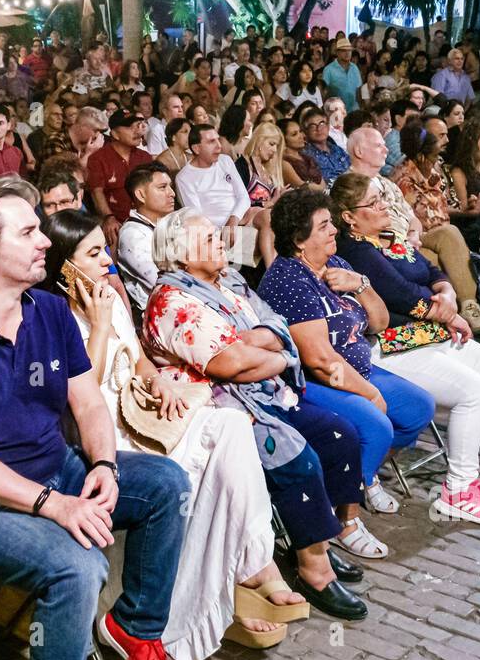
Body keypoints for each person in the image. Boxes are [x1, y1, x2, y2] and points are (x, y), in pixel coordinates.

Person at [0, 176, 189, 660]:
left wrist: (104, 464)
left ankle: (135, 628)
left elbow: (87, 404)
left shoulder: (48, 310)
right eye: (28, 233)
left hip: (56, 469)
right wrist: (55, 504)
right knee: (78, 566)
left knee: (166, 484)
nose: (45, 240)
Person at [42, 209, 305, 659]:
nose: (106, 260)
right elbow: (84, 391)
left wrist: (158, 379)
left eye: (104, 249)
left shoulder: (109, 298)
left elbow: (139, 358)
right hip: (101, 435)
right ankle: (242, 578)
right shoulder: (53, 314)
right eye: (93, 253)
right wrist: (99, 326)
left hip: (141, 415)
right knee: (209, 462)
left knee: (231, 425)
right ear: (65, 266)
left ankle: (248, 566)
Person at [143, 210, 369, 622]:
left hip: (267, 391)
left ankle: (318, 539)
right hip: (225, 406)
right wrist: (281, 356)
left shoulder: (229, 280)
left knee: (340, 435)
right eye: (208, 239)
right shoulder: (172, 301)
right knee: (298, 458)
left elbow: (276, 322)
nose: (220, 242)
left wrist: (262, 343)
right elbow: (230, 364)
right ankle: (314, 571)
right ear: (181, 255)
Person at [331, 173, 480, 523]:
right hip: (390, 347)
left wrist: (447, 294)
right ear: (349, 217)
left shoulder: (390, 239)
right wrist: (446, 312)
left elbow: (431, 270)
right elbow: (400, 294)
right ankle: (460, 490)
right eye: (374, 202)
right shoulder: (356, 251)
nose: (385, 205)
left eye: (382, 198)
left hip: (428, 334)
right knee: (473, 391)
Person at [258, 189, 436, 539]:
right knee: (376, 425)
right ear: (299, 240)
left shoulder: (337, 264)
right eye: (324, 226)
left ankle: (362, 476)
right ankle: (343, 519)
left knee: (419, 408)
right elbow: (320, 360)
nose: (334, 230)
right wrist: (369, 393)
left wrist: (361, 285)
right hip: (312, 382)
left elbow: (380, 322)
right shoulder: (289, 279)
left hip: (357, 368)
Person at [345, 125, 480, 335]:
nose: (386, 150)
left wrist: (413, 234)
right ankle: (448, 313)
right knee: (430, 259)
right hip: (383, 246)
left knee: (449, 232)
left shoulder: (387, 184)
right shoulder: (347, 187)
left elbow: (413, 217)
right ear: (359, 151)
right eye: (379, 146)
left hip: (412, 237)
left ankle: (469, 306)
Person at [175, 125, 274, 267]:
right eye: (211, 142)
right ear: (196, 148)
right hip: (217, 229)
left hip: (239, 218)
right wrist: (227, 225)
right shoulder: (184, 178)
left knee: (271, 217)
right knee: (268, 236)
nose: (219, 146)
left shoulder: (225, 160)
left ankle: (273, 270)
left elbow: (243, 196)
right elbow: (197, 219)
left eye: (218, 140)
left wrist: (234, 219)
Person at [86, 108, 154, 245]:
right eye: (130, 127)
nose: (137, 131)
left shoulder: (145, 157)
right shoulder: (98, 159)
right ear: (115, 134)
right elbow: (97, 192)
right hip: (117, 222)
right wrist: (109, 217)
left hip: (146, 220)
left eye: (138, 126)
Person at [117, 162, 176, 313]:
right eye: (162, 187)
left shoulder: (170, 224)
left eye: (170, 186)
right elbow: (163, 283)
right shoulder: (132, 235)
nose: (172, 193)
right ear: (141, 195)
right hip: (162, 311)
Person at [300, 107, 350, 182]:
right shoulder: (306, 156)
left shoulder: (337, 149)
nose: (318, 129)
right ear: (305, 131)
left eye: (322, 123)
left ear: (328, 126)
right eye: (312, 126)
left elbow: (352, 168)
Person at [322, 38, 362, 109]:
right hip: (336, 110)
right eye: (343, 50)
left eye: (349, 50)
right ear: (337, 52)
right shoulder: (328, 69)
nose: (347, 53)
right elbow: (324, 92)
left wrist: (360, 106)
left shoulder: (355, 68)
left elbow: (358, 89)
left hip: (354, 109)